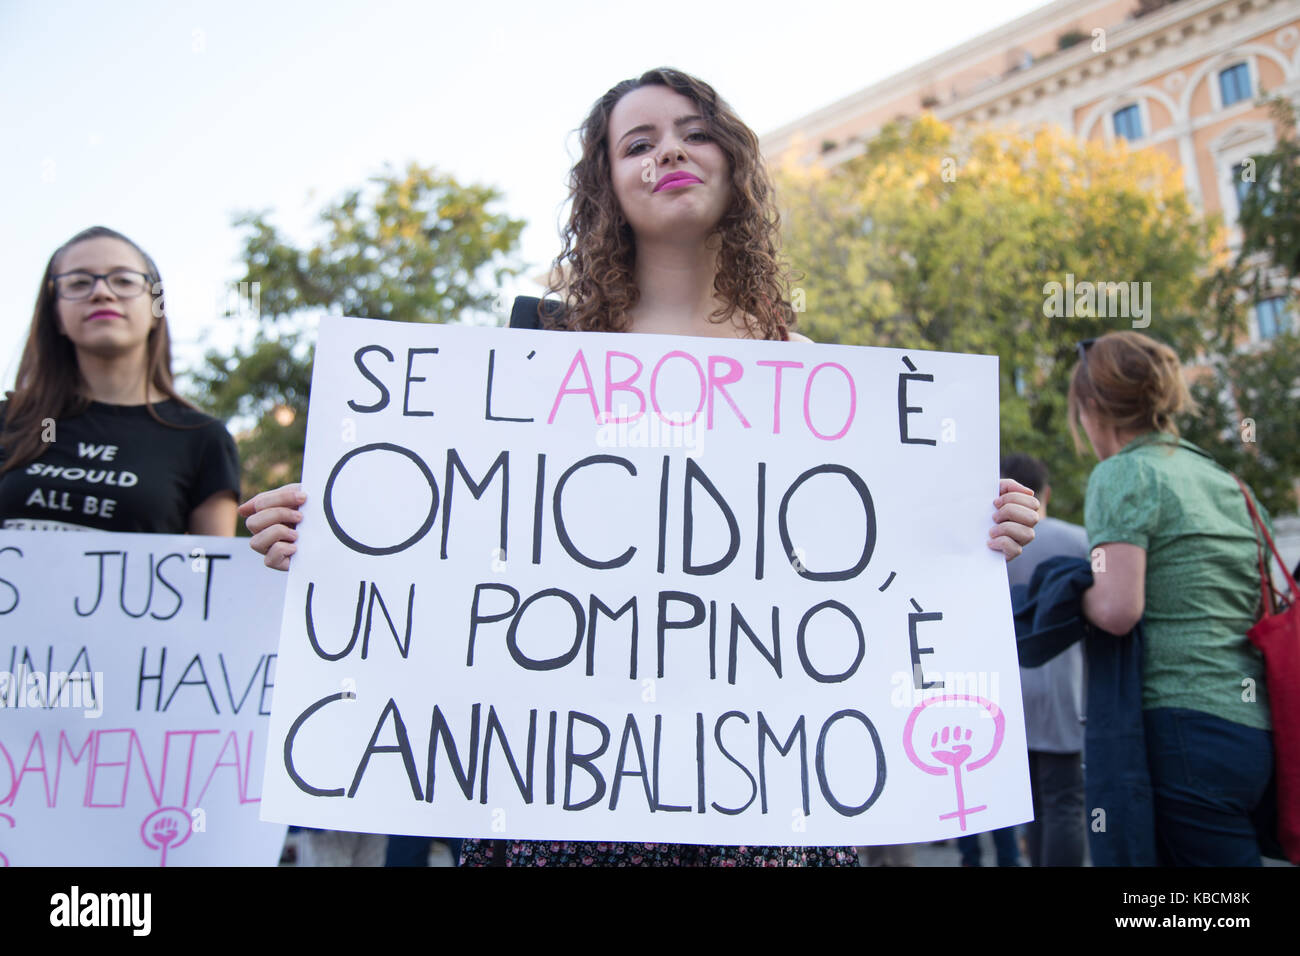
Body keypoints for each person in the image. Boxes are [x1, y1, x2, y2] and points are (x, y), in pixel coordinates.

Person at [240, 68, 1041, 866]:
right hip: (565, 792)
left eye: (695, 133)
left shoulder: (804, 373)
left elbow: (854, 569)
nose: (670, 152)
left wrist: (974, 527)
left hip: (757, 789)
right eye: (639, 143)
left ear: (732, 161)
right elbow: (460, 546)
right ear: (608, 184)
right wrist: (324, 533)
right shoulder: (536, 354)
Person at [1071, 331, 1273, 866]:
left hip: (1178, 725)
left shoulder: (1124, 473)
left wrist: (1075, 595)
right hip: (1253, 729)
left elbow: (1118, 609)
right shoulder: (1226, 481)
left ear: (1092, 407)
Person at [0, 226, 239, 535]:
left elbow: (209, 572)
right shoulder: (8, 420)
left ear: (155, 308)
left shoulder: (204, 439)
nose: (101, 293)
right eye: (79, 282)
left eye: (124, 280)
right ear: (56, 314)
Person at [1003, 453, 1087, 867]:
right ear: (1046, 491)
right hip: (1059, 685)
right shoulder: (1076, 541)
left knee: (1029, 803)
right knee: (1066, 801)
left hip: (1007, 688)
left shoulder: (987, 543)